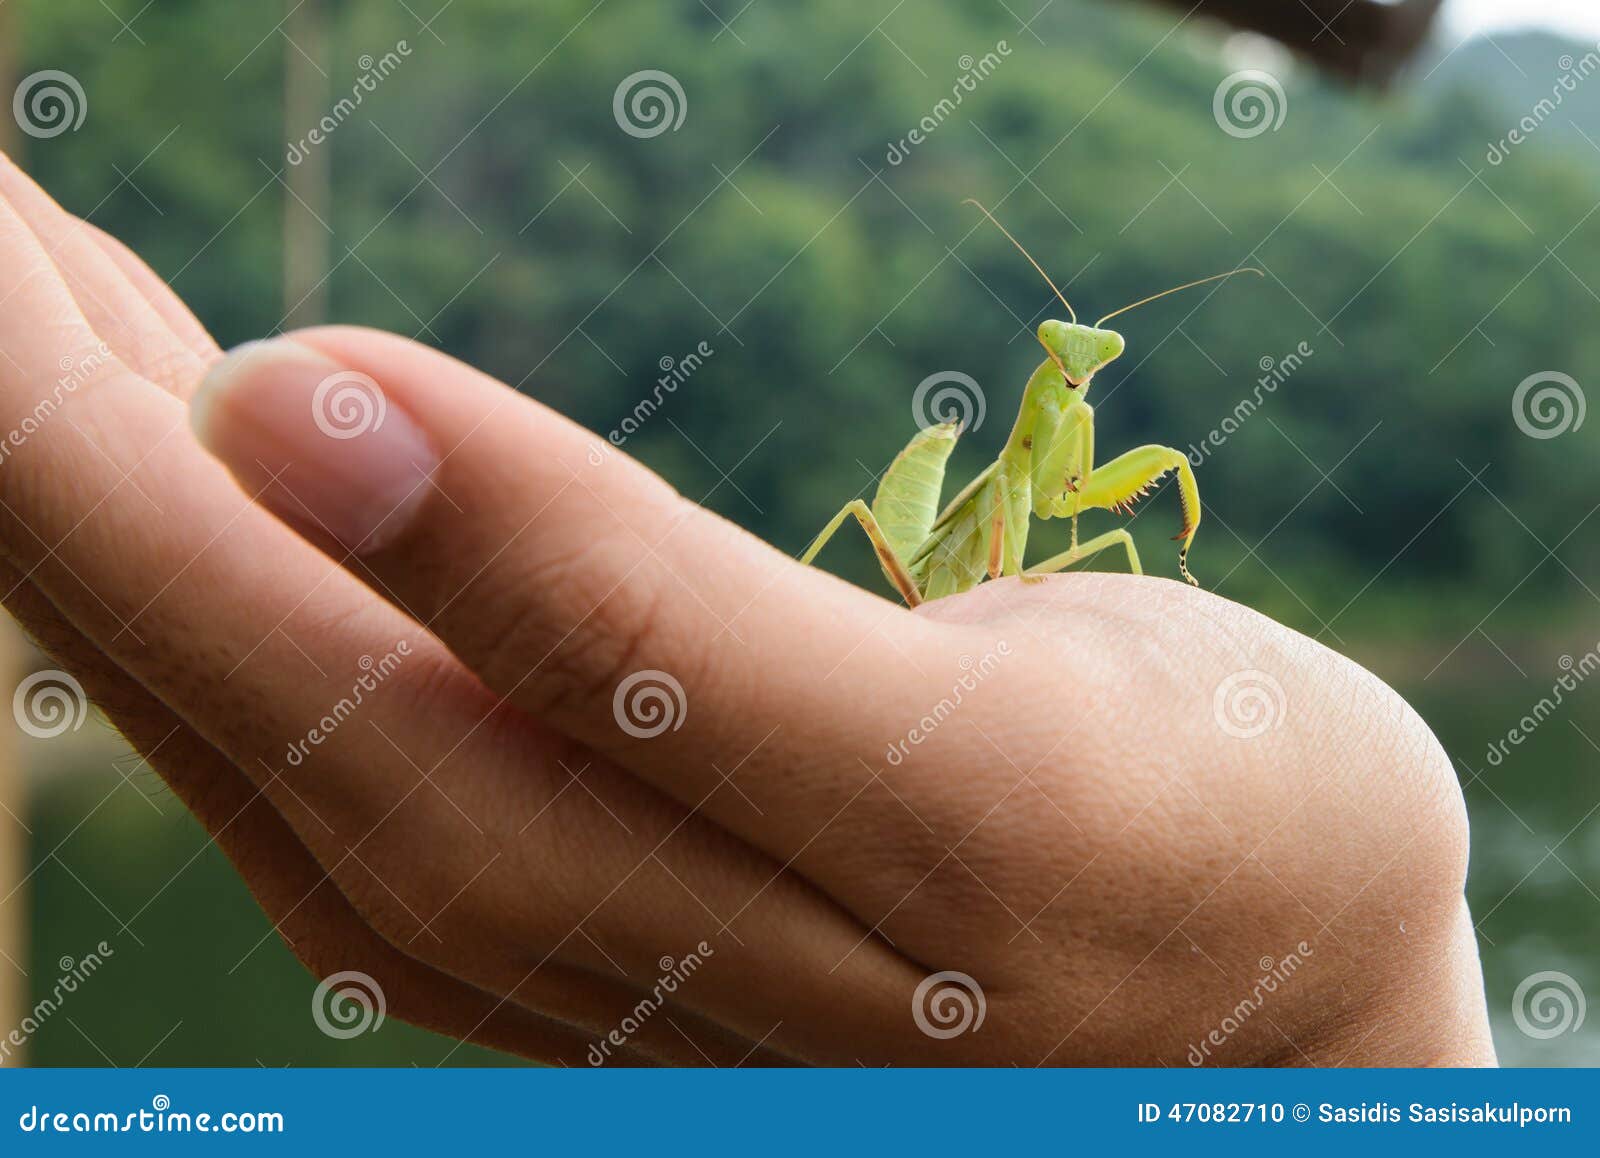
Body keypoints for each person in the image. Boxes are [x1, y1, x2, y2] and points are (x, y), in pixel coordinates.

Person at [0, 151, 1495, 1066]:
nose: (1081, 368)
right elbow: (1005, 528)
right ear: (1050, 361)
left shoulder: (1081, 428)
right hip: (924, 564)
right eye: (1069, 354)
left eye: (1090, 357)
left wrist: (1348, 1023)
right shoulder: (1012, 441)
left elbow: (1079, 507)